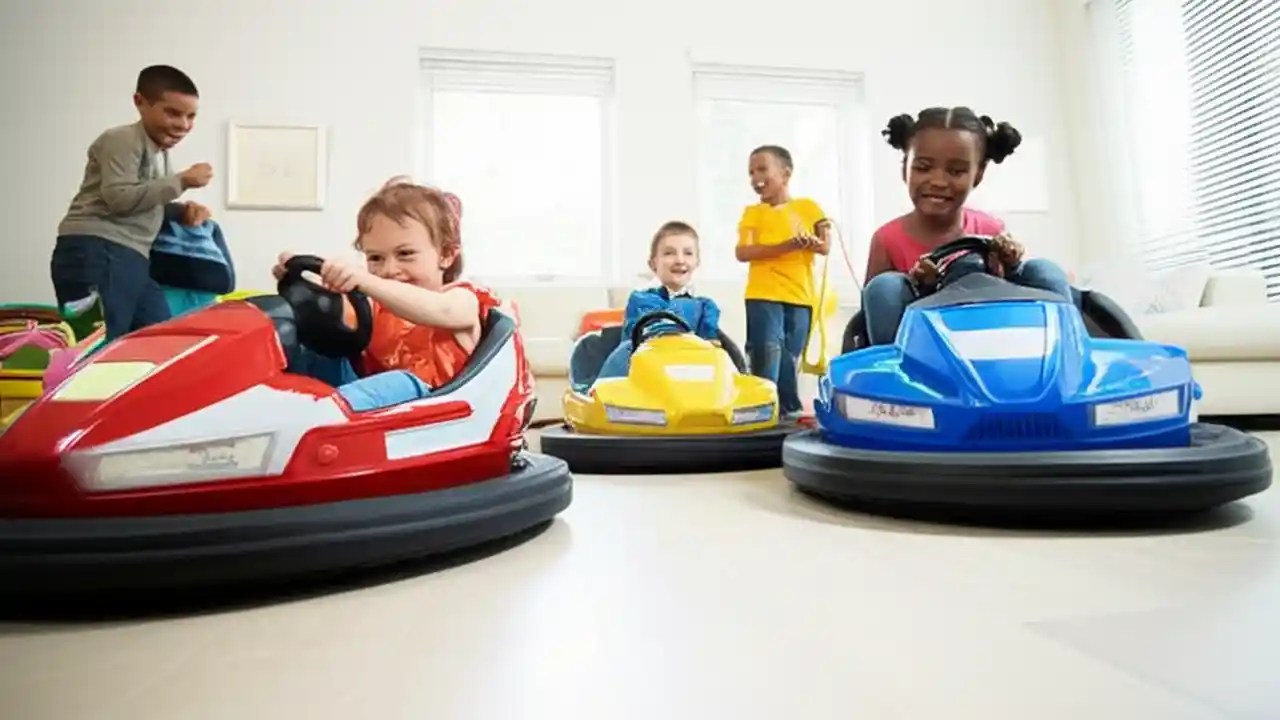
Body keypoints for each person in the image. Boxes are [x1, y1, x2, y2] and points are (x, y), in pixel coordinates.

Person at [273, 177, 505, 412]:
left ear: (445, 255)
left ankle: (311, 413)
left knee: (401, 381)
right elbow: (334, 315)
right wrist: (304, 277)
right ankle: (276, 403)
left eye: (405, 254)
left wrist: (366, 280)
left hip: (434, 409)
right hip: (372, 410)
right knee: (320, 351)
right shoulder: (374, 304)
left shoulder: (461, 298)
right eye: (375, 258)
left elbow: (440, 309)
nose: (388, 270)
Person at [861, 106, 1072, 345]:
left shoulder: (991, 229)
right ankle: (891, 371)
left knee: (1044, 269)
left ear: (978, 174)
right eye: (923, 167)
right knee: (884, 286)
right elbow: (871, 311)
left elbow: (1011, 294)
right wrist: (922, 284)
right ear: (904, 169)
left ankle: (1069, 350)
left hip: (992, 339)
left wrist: (1009, 263)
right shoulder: (887, 239)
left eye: (956, 171)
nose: (938, 181)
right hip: (924, 349)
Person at [51, 64, 215, 341]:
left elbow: (141, 199)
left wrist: (180, 212)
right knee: (97, 353)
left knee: (157, 346)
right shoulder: (123, 139)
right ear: (140, 102)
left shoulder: (158, 151)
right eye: (172, 113)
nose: (183, 125)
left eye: (191, 116)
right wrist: (182, 180)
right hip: (97, 251)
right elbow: (120, 199)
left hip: (129, 257)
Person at [735, 145, 831, 419]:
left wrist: (810, 243)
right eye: (751, 172)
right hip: (763, 292)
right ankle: (763, 409)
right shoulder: (752, 213)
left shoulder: (809, 208)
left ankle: (787, 408)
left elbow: (825, 246)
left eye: (762, 169)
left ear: (786, 173)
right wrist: (786, 246)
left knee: (791, 354)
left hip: (800, 295)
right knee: (766, 350)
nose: (755, 178)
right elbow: (743, 252)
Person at [595, 221, 721, 381]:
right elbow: (646, 333)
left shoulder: (705, 305)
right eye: (669, 253)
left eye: (688, 253)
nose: (680, 260)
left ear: (697, 261)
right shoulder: (642, 298)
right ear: (653, 263)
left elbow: (711, 341)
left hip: (687, 370)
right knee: (627, 350)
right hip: (644, 366)